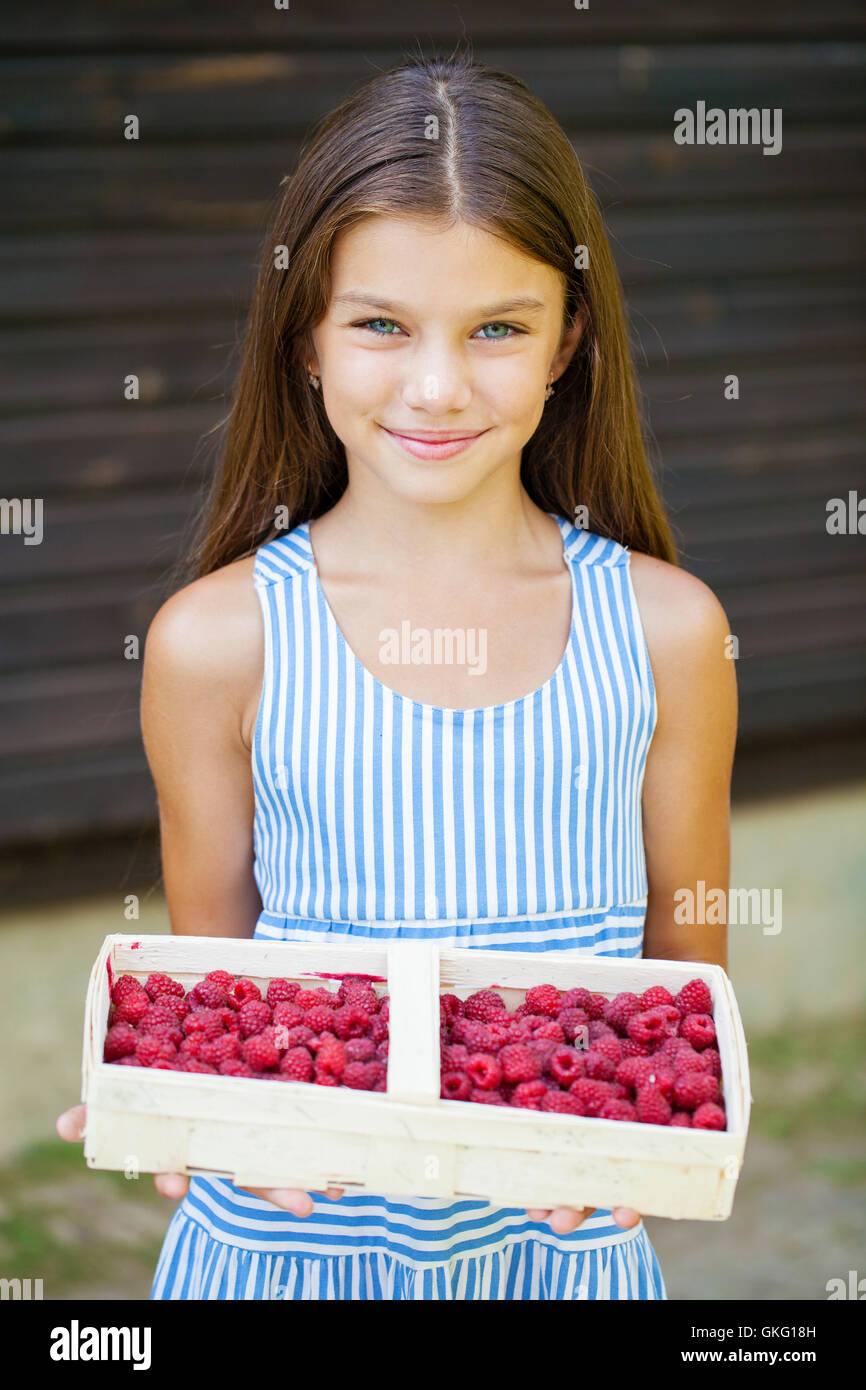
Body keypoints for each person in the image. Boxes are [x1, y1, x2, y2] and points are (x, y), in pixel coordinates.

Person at [57, 47, 736, 1300]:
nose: (435, 385)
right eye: (379, 323)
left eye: (495, 328)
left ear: (566, 342)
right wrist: (165, 1100)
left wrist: (643, 1145)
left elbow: (686, 1010)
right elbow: (221, 992)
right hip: (275, 1268)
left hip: (559, 1269)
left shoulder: (667, 634)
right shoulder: (219, 643)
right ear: (305, 339)